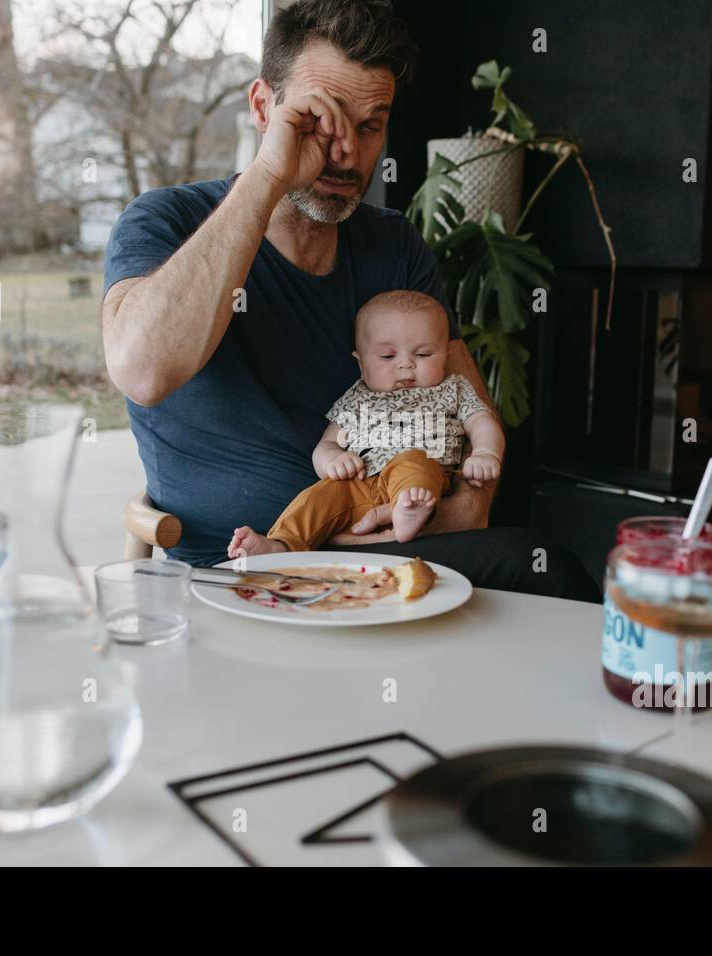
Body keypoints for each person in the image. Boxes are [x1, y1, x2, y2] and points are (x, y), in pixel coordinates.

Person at [101, 0, 598, 602]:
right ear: (264, 108)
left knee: (546, 570)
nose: (345, 155)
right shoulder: (165, 222)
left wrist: (424, 521)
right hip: (232, 572)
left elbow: (470, 428)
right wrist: (269, 175)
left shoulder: (393, 245)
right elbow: (143, 371)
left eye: (369, 126)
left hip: (390, 551)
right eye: (318, 122)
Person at [228, 290, 503, 557]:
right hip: (361, 481)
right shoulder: (358, 397)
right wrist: (333, 459)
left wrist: (485, 453)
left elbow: (482, 422)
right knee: (319, 496)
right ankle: (281, 544)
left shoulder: (451, 388)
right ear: (361, 363)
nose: (405, 365)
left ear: (446, 355)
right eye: (387, 356)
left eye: (423, 354)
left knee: (413, 461)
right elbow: (328, 442)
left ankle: (408, 510)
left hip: (422, 475)